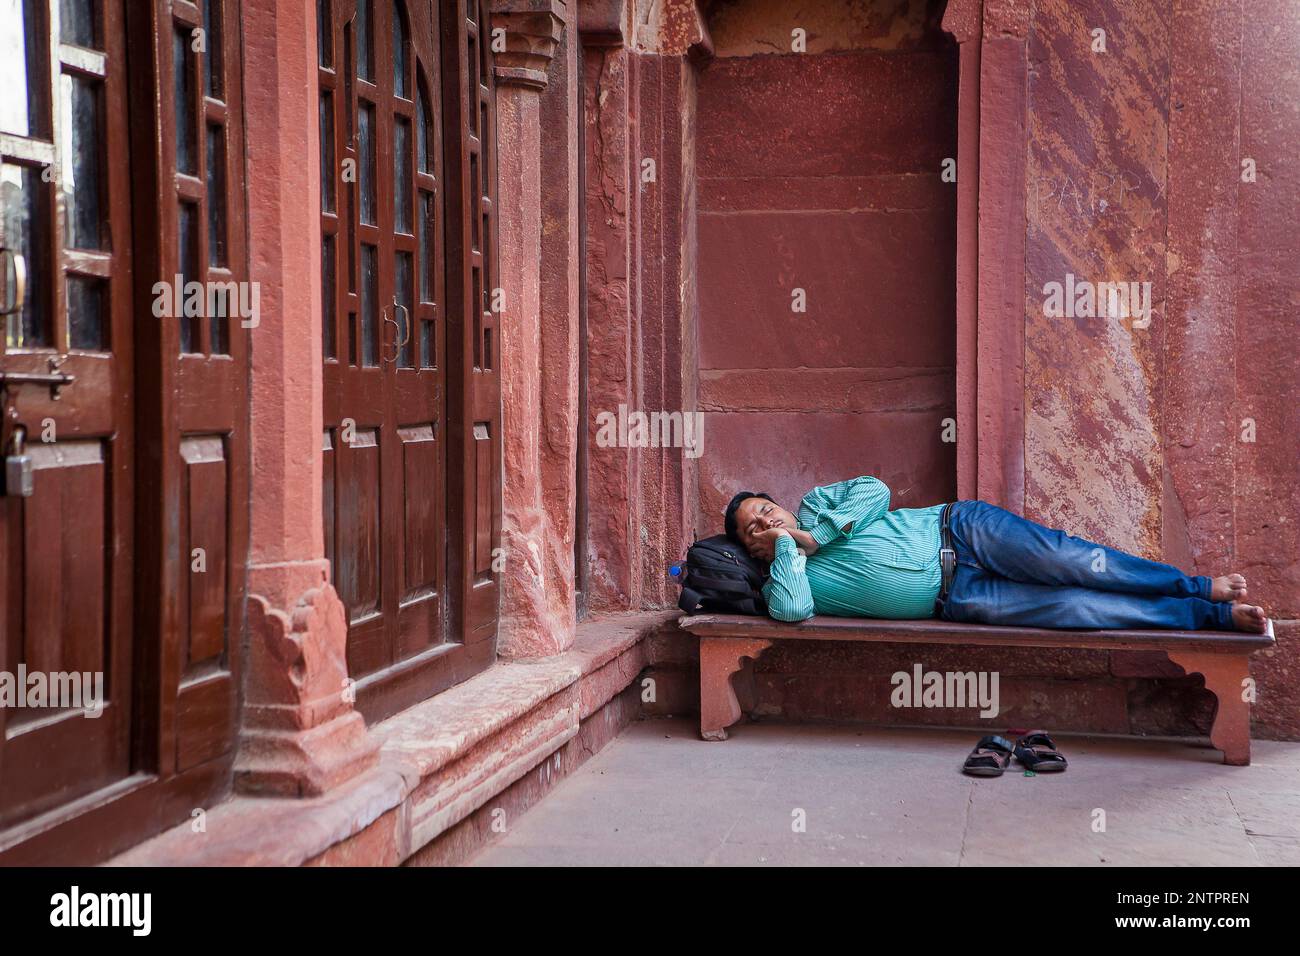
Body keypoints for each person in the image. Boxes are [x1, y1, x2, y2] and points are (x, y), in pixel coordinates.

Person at [724, 475, 1269, 633]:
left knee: (1075, 562)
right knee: (1078, 610)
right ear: (751, 547)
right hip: (958, 597)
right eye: (754, 528)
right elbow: (793, 612)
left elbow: (876, 491)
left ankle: (1194, 586)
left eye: (766, 509)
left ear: (783, 506)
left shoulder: (817, 503)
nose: (766, 521)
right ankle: (1206, 616)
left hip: (962, 530)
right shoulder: (784, 582)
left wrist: (816, 534)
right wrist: (788, 553)